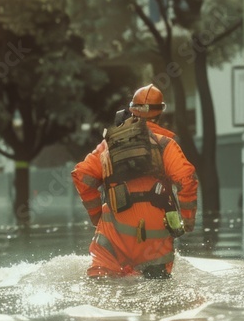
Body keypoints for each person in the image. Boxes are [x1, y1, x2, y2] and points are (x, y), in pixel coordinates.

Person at [72, 84, 199, 278]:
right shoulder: (166, 145)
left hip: (113, 236)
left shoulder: (110, 145)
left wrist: (97, 217)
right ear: (161, 112)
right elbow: (187, 180)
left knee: (101, 285)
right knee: (157, 291)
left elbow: (81, 175)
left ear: (131, 110)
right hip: (154, 240)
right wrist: (188, 221)